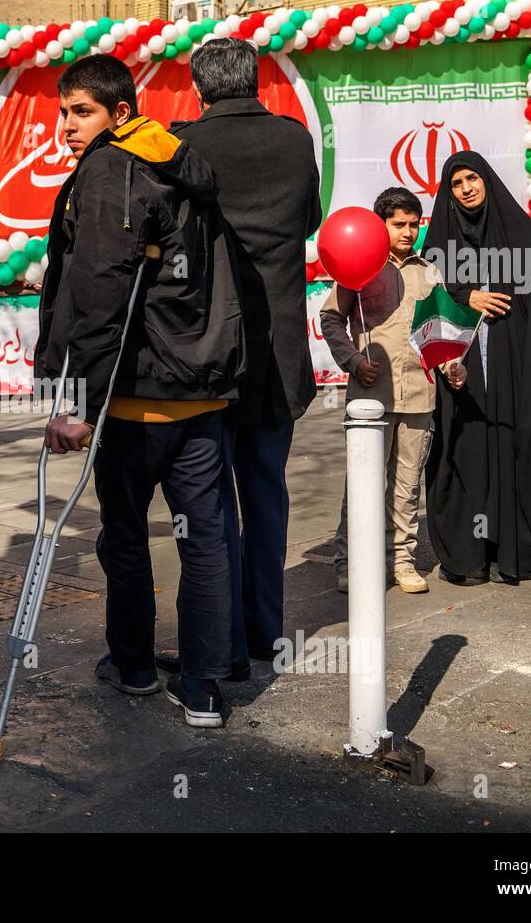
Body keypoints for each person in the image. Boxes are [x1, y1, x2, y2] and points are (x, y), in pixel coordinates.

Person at [37, 54, 244, 728]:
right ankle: (205, 687)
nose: (67, 125)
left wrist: (76, 404)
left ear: (119, 113)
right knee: (204, 541)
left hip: (135, 398)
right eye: (64, 110)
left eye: (82, 111)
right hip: (200, 392)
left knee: (125, 537)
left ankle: (132, 665)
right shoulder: (185, 164)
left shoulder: (110, 170)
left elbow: (98, 292)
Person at [159, 37, 321, 674]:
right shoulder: (294, 139)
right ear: (256, 81)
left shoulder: (186, 145)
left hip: (211, 348)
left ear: (200, 88)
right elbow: (308, 220)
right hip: (280, 350)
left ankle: (219, 644)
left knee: (210, 504)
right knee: (266, 494)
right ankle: (264, 631)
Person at [422, 151, 531, 585]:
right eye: (456, 182)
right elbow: (428, 296)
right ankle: (468, 557)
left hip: (515, 355)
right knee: (465, 443)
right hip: (461, 361)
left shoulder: (517, 226)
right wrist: (470, 297)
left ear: (487, 180)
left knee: (521, 438)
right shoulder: (441, 237)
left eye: (473, 178)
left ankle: (519, 553)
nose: (466, 188)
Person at [321, 186, 466, 595]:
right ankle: (349, 561)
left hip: (420, 395)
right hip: (370, 397)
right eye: (398, 224)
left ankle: (400, 560)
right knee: (363, 483)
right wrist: (352, 360)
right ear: (379, 224)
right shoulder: (359, 264)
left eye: (413, 224)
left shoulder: (428, 271)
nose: (407, 232)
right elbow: (331, 319)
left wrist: (454, 364)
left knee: (407, 486)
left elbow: (439, 332)